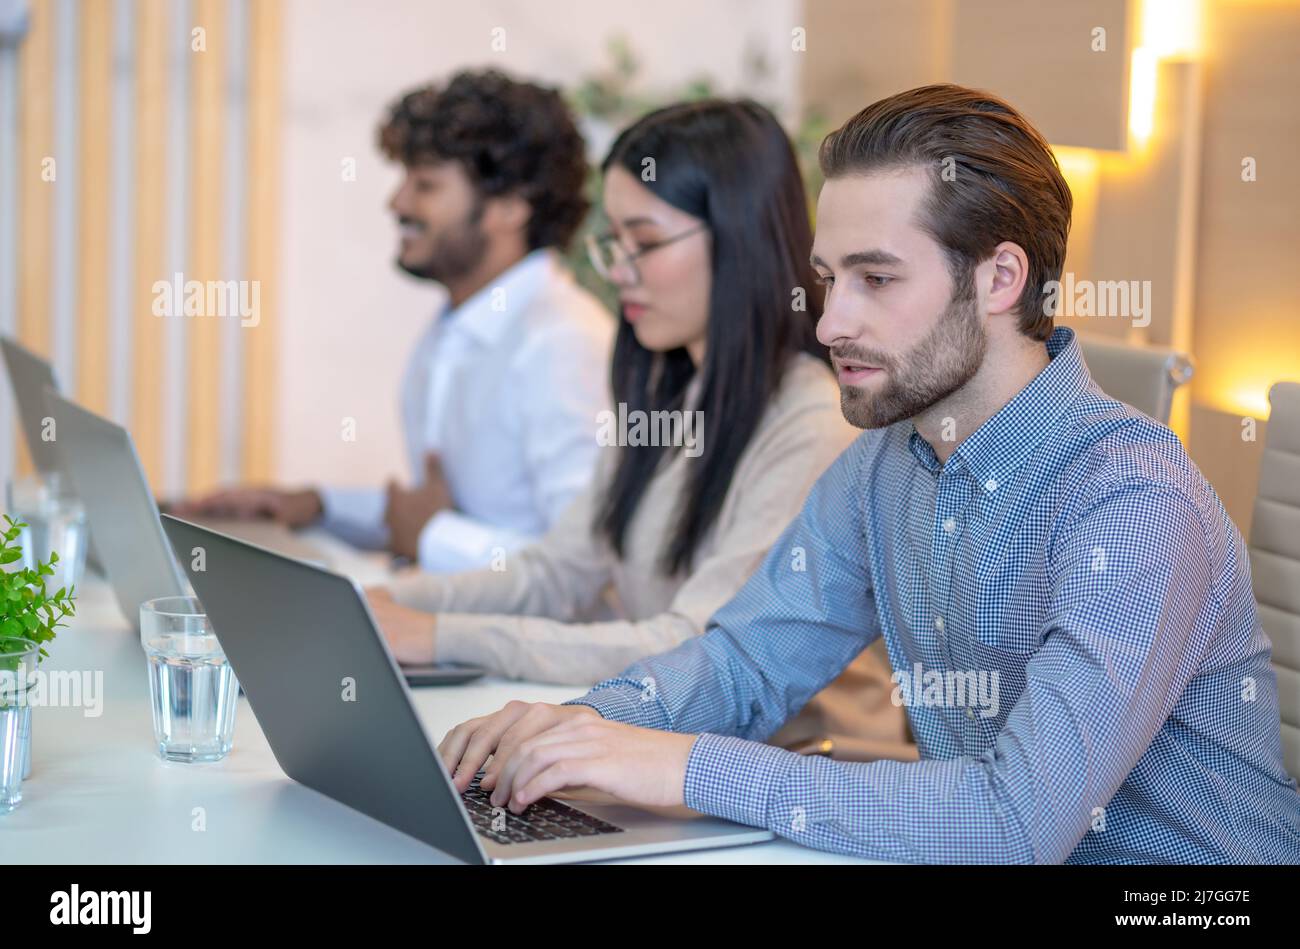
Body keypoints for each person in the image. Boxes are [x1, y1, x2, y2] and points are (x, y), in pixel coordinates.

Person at [433, 84, 1300, 864]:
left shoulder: (1134, 500)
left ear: (1000, 277)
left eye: (876, 279)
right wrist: (579, 725)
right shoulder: (887, 462)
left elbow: (1017, 819)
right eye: (827, 279)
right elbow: (745, 664)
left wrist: (687, 767)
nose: (830, 322)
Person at [368, 99, 913, 763]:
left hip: (795, 778)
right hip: (667, 754)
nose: (618, 271)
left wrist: (437, 635)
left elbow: (696, 647)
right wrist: (380, 603)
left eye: (646, 244)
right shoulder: (665, 393)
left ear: (737, 238)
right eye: (615, 244)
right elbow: (557, 572)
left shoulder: (812, 422)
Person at [174, 70, 613, 573]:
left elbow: (588, 572)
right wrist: (315, 507)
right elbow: (434, 515)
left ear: (510, 208)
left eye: (425, 184)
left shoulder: (561, 342)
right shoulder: (459, 325)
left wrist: (436, 536)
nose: (397, 202)